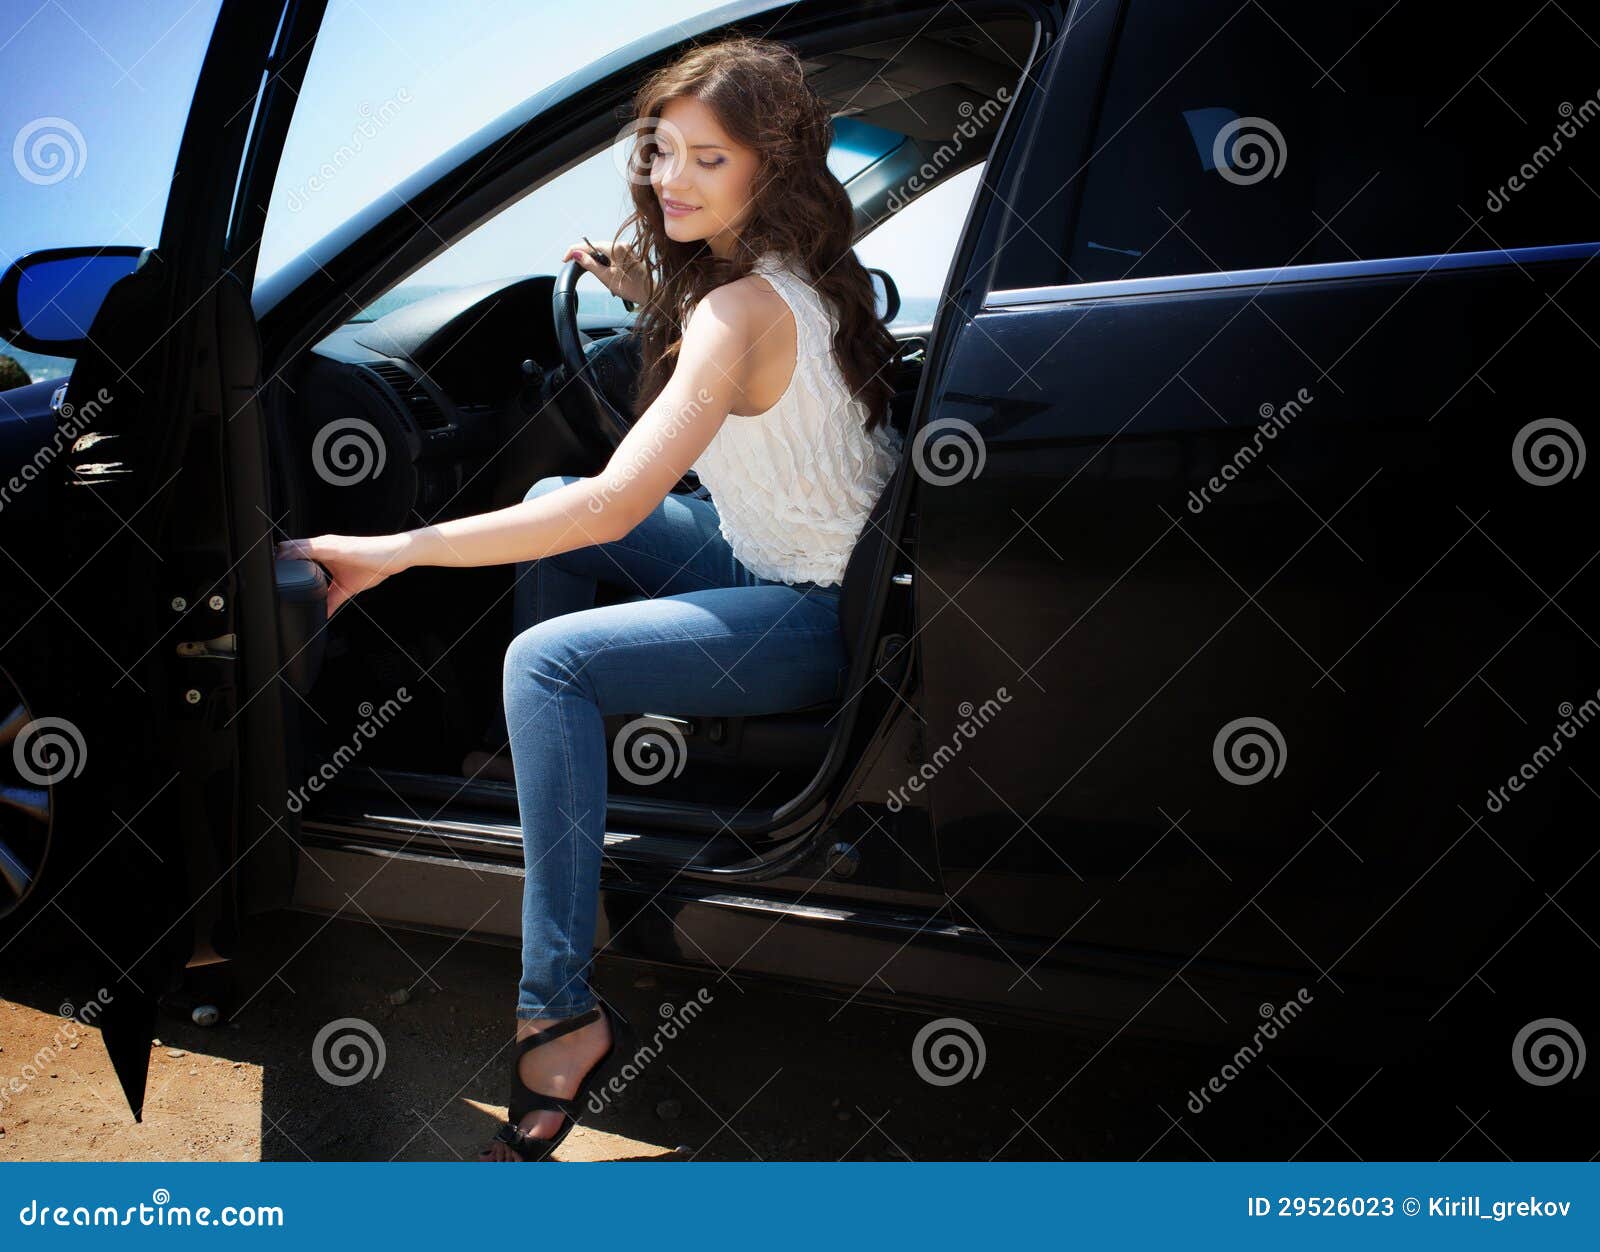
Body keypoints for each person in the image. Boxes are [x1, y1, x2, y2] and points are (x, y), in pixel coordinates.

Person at [275, 34, 903, 1161]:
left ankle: (558, 1005)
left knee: (546, 659)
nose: (670, 181)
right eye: (661, 154)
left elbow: (614, 510)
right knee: (554, 485)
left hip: (811, 612)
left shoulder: (738, 310)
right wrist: (646, 290)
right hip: (774, 554)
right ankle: (541, 780)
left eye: (708, 160)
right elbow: (702, 397)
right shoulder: (782, 283)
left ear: (772, 166)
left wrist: (394, 547)